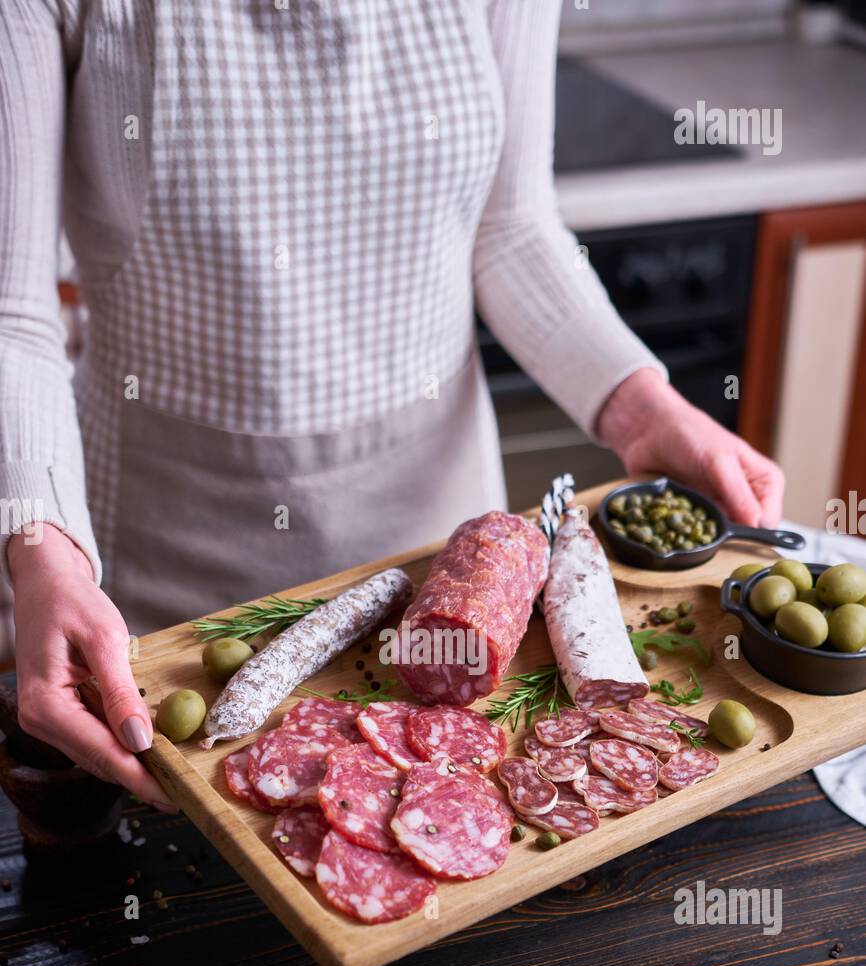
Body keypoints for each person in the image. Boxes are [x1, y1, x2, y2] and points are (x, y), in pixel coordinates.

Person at [0, 0, 783, 810]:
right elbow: (12, 314)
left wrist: (641, 408)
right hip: (160, 591)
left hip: (445, 567)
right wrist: (39, 542)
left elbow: (511, 229)